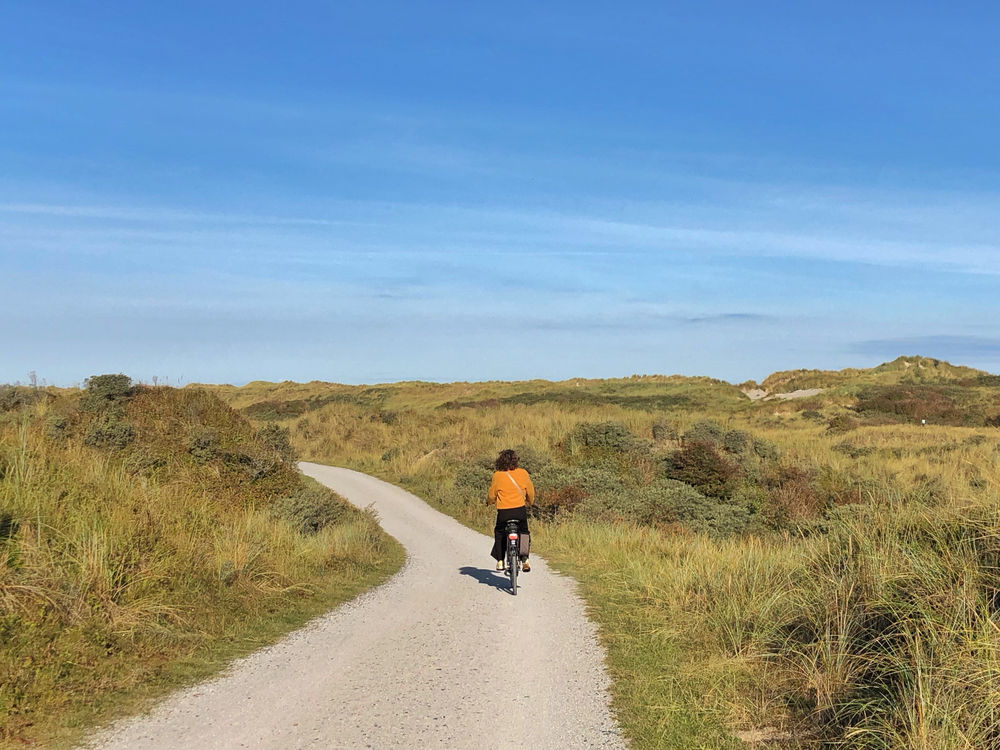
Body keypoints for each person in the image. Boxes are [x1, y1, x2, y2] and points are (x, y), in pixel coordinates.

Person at [487, 449, 535, 572]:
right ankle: (525, 559)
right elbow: (530, 491)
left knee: (500, 533)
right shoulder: (523, 473)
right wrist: (530, 501)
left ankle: (500, 561)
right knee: (524, 532)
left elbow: (492, 495)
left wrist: (489, 502)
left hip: (504, 512)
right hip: (520, 510)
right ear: (515, 460)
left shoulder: (497, 475)